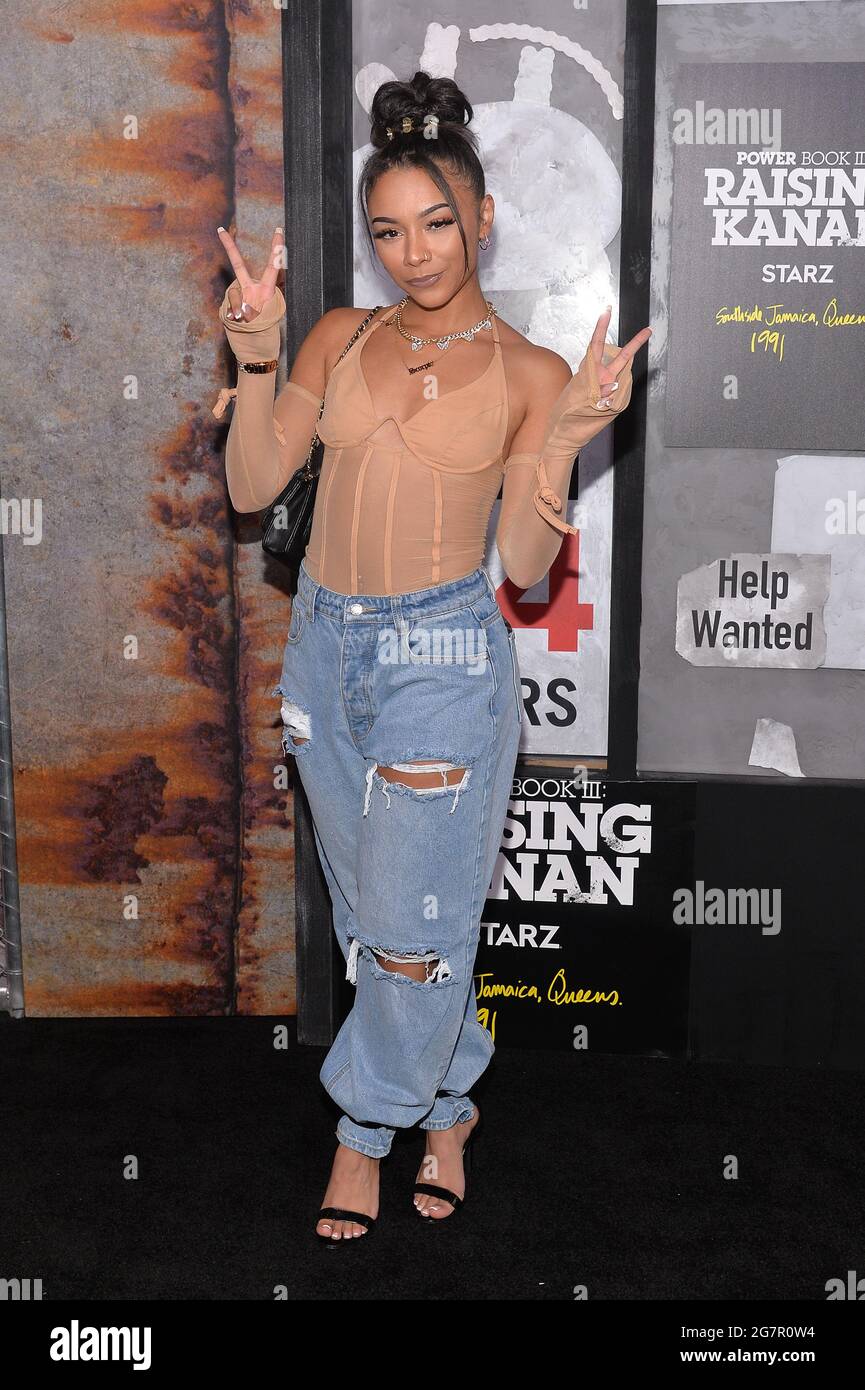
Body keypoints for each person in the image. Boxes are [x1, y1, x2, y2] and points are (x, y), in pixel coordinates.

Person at [213, 70, 651, 1245]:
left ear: (483, 216)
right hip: (323, 653)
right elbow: (253, 487)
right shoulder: (336, 334)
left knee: (408, 933)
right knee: (382, 929)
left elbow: (517, 566)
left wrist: (560, 440)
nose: (413, 253)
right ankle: (451, 1105)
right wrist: (258, 362)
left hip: (443, 657)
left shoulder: (527, 373)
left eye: (437, 223)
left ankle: (362, 1135)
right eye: (388, 231)